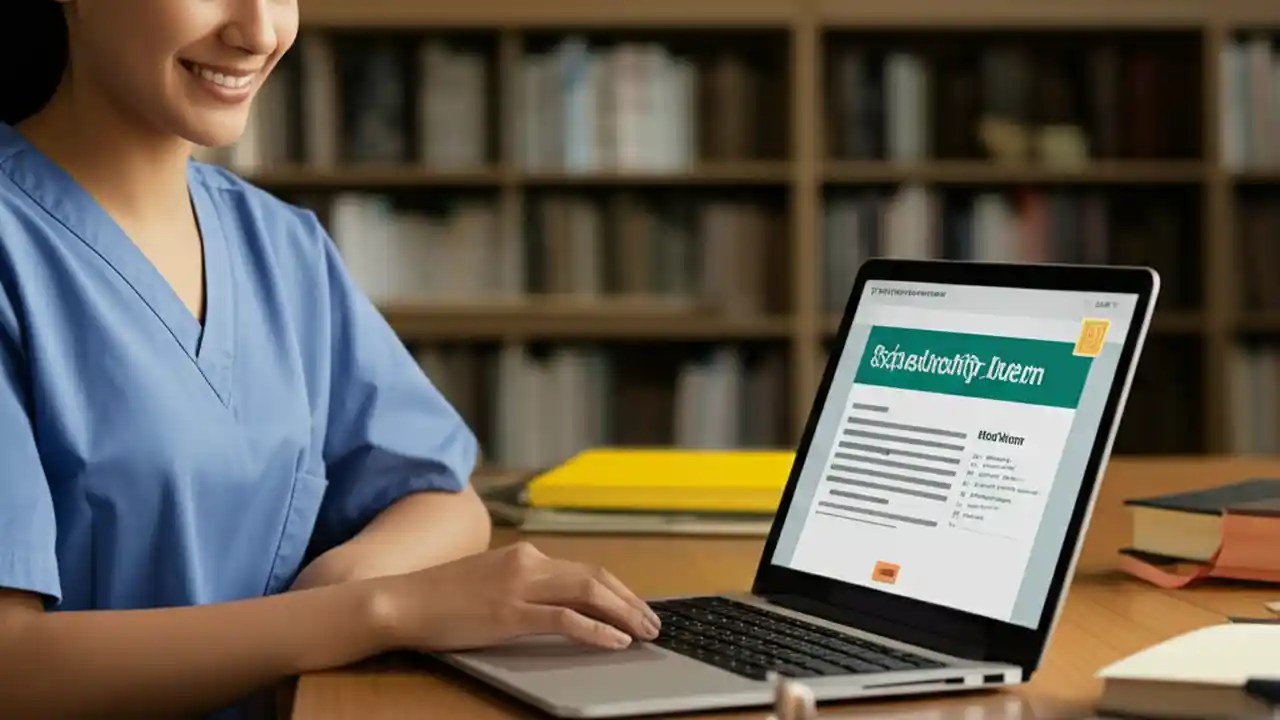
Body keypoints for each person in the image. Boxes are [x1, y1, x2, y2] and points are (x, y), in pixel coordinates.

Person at [0, 1, 660, 718]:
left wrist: (350, 576)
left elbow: (442, 498)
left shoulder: (282, 248)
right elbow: (12, 664)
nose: (258, 32)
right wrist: (373, 610)